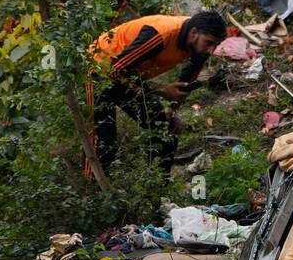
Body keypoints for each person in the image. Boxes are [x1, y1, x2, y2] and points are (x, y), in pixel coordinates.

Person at [87, 11, 226, 171]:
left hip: (129, 73)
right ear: (193, 33)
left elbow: (185, 84)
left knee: (167, 128)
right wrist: (161, 90)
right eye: (208, 43)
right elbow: (115, 71)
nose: (211, 51)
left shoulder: (199, 47)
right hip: (98, 71)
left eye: (216, 45)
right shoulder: (160, 35)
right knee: (103, 141)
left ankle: (157, 190)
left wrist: (172, 109)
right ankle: (93, 191)